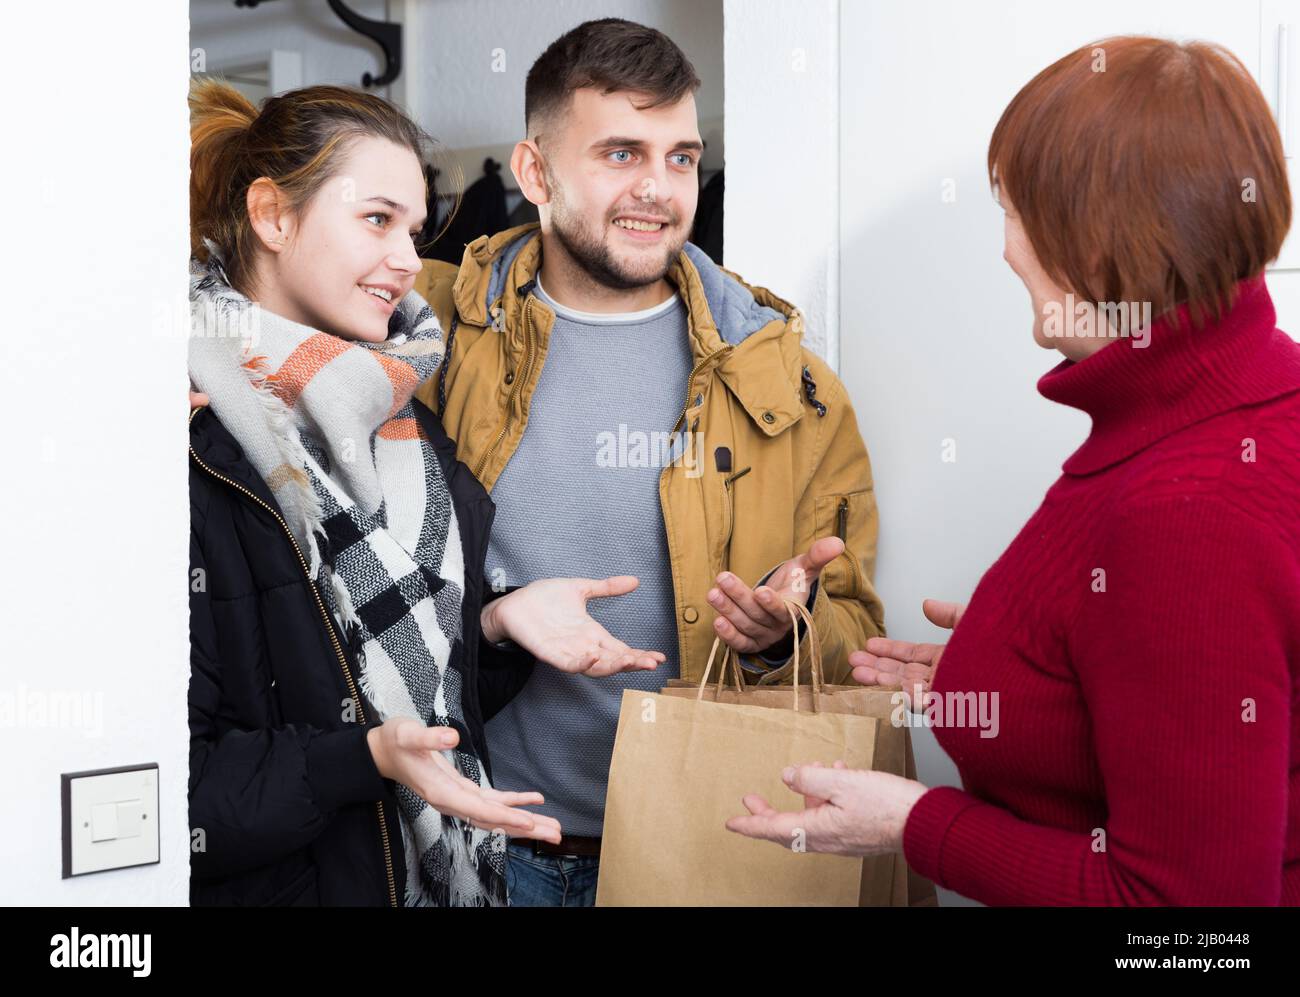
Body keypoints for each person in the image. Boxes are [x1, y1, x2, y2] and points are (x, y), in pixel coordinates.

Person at [727, 36, 1300, 906]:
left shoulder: (1190, 512)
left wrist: (915, 823)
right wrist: (1033, 668)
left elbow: (1192, 930)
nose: (1005, 251)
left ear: (1101, 250)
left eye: (1019, 212)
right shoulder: (1250, 398)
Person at [412, 18, 887, 905]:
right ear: (533, 172)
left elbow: (859, 629)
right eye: (622, 153)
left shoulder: (787, 377)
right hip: (488, 836)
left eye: (680, 158)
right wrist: (498, 616)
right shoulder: (432, 339)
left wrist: (786, 637)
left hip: (702, 844)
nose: (659, 190)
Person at [187, 79, 664, 906]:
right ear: (272, 215)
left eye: (413, 226)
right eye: (376, 219)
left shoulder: (405, 419)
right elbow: (168, 793)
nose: (410, 259)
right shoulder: (186, 437)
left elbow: (421, 693)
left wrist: (493, 624)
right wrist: (362, 759)